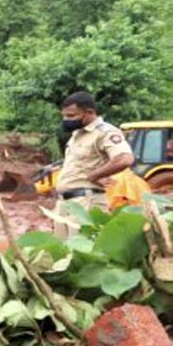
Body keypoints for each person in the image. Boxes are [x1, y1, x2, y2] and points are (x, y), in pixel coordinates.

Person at [54, 91, 136, 237]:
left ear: (89, 112)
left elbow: (125, 158)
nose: (66, 120)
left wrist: (95, 175)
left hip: (85, 202)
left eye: (71, 116)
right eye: (64, 116)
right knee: (61, 254)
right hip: (64, 203)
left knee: (82, 253)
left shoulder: (105, 132)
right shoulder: (77, 134)